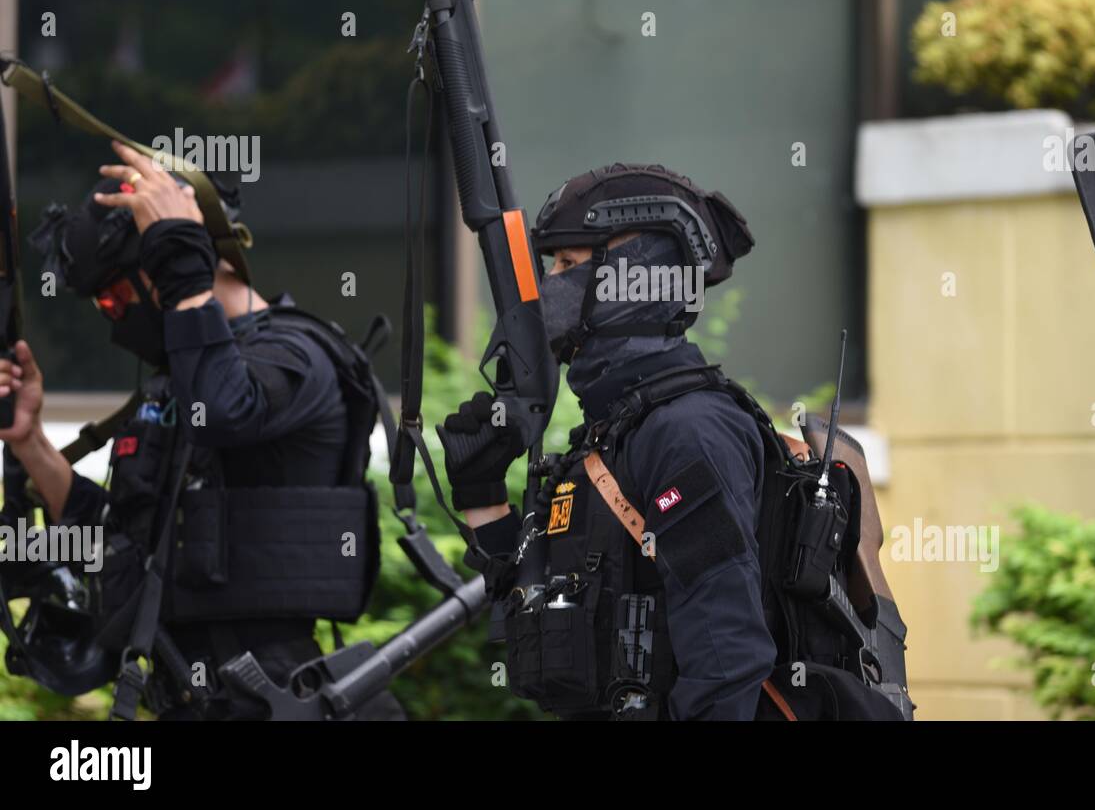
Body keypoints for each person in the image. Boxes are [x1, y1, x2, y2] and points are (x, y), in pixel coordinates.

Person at [0, 141, 402, 720]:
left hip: (266, 698)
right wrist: (30, 440)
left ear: (169, 257)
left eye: (115, 297)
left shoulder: (296, 355)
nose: (115, 319)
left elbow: (223, 410)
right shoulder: (186, 378)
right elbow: (122, 542)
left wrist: (185, 275)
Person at [439, 162, 778, 720]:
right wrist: (482, 495)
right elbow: (537, 620)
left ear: (638, 276)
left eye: (569, 264)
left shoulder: (685, 432)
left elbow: (728, 660)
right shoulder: (608, 433)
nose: (550, 284)